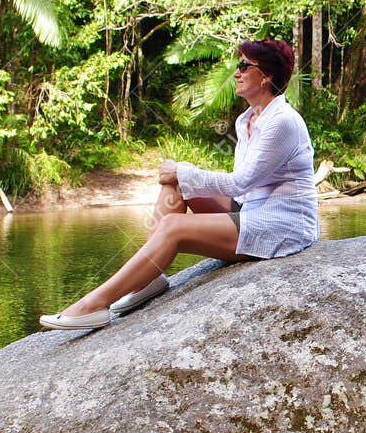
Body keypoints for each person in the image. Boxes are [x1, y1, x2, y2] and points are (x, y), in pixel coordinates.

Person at [40, 38, 321, 330]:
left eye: (243, 66)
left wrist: (183, 170)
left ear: (267, 76)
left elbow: (241, 182)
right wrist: (183, 179)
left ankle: (94, 305)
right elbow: (245, 188)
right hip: (253, 208)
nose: (236, 73)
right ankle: (148, 279)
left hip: (285, 223)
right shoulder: (247, 119)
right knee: (176, 189)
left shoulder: (283, 121)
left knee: (174, 224)